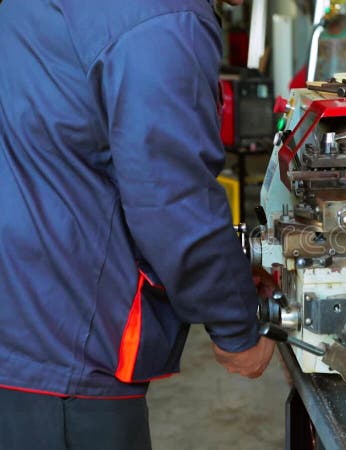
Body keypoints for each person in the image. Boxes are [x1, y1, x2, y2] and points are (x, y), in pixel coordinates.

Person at [0, 0, 276, 448]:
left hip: (24, 324)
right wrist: (236, 327)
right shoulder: (163, 16)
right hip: (66, 350)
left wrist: (229, 275)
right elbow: (172, 199)